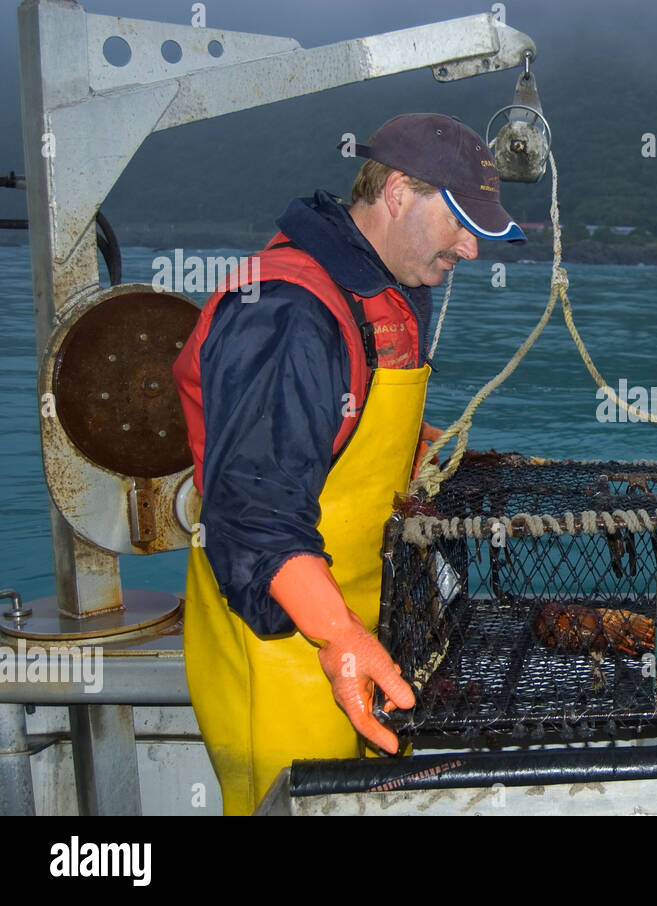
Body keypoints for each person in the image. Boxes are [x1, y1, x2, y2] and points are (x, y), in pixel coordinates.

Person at [173, 113, 525, 814]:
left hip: (361, 635)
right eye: (460, 221)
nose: (472, 249)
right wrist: (337, 637)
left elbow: (342, 433)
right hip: (284, 653)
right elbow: (252, 512)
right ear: (397, 191)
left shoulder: (385, 288)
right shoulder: (286, 311)